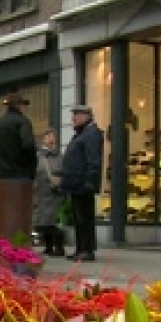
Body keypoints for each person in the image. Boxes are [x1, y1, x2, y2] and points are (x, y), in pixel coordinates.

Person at [0, 91, 38, 239]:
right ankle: (19, 246)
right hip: (20, 177)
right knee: (20, 216)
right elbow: (28, 145)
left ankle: (2, 243)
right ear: (19, 105)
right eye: (23, 104)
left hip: (1, 177)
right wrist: (31, 167)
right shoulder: (23, 122)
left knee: (3, 216)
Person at [60, 105, 104, 262]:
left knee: (84, 219)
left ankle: (87, 250)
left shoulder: (90, 134)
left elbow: (93, 160)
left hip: (83, 184)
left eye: (76, 115)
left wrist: (89, 182)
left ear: (86, 116)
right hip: (76, 183)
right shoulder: (82, 133)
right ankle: (81, 249)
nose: (73, 118)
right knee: (79, 219)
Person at [33, 128, 65, 257]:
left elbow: (63, 170)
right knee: (42, 221)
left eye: (53, 136)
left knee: (50, 221)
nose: (51, 139)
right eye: (48, 136)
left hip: (53, 192)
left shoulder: (59, 156)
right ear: (43, 139)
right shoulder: (38, 156)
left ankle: (59, 247)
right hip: (40, 192)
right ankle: (49, 247)